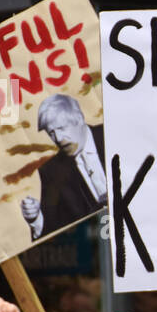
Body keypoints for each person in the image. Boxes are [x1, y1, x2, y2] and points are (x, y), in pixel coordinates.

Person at [19, 94, 106, 240]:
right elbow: (52, 230)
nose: (58, 139)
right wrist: (35, 219)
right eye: (52, 133)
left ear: (79, 118)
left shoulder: (112, 135)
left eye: (62, 128)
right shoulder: (51, 172)